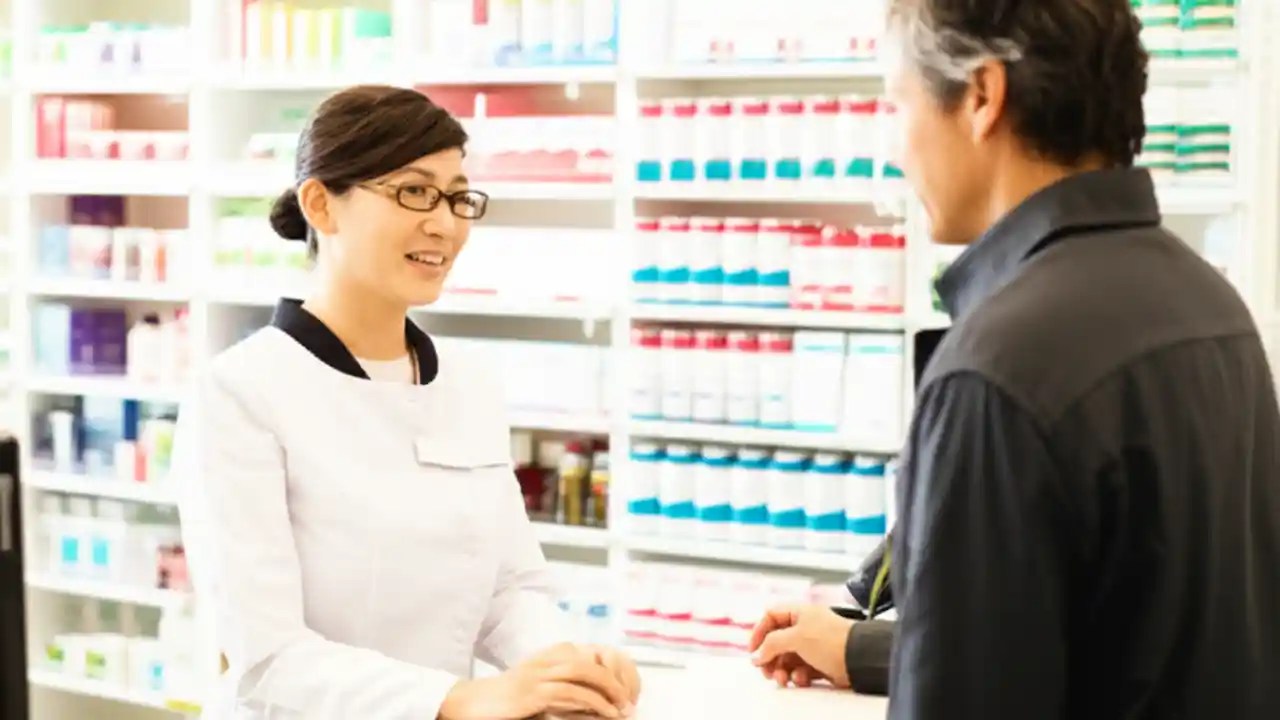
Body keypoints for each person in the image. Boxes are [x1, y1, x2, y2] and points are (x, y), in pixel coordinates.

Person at [749, 1, 1280, 718]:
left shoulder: (997, 368)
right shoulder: (1211, 308)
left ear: (981, 96)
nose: (895, 149)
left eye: (898, 105)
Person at [173, 85, 640, 720]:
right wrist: (459, 699)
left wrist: (566, 667)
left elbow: (507, 588)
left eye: (457, 196)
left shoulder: (468, 383)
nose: (445, 223)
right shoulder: (240, 393)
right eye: (414, 191)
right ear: (321, 205)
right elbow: (267, 655)